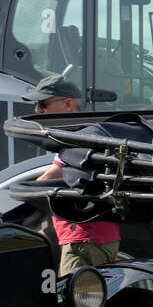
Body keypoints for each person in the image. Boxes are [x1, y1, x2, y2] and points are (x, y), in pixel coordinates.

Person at [30, 76, 122, 273]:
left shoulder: (77, 140)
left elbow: (48, 178)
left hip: (83, 240)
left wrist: (18, 199)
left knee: (76, 299)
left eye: (43, 103)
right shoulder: (87, 135)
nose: (37, 110)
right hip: (94, 237)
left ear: (68, 104)